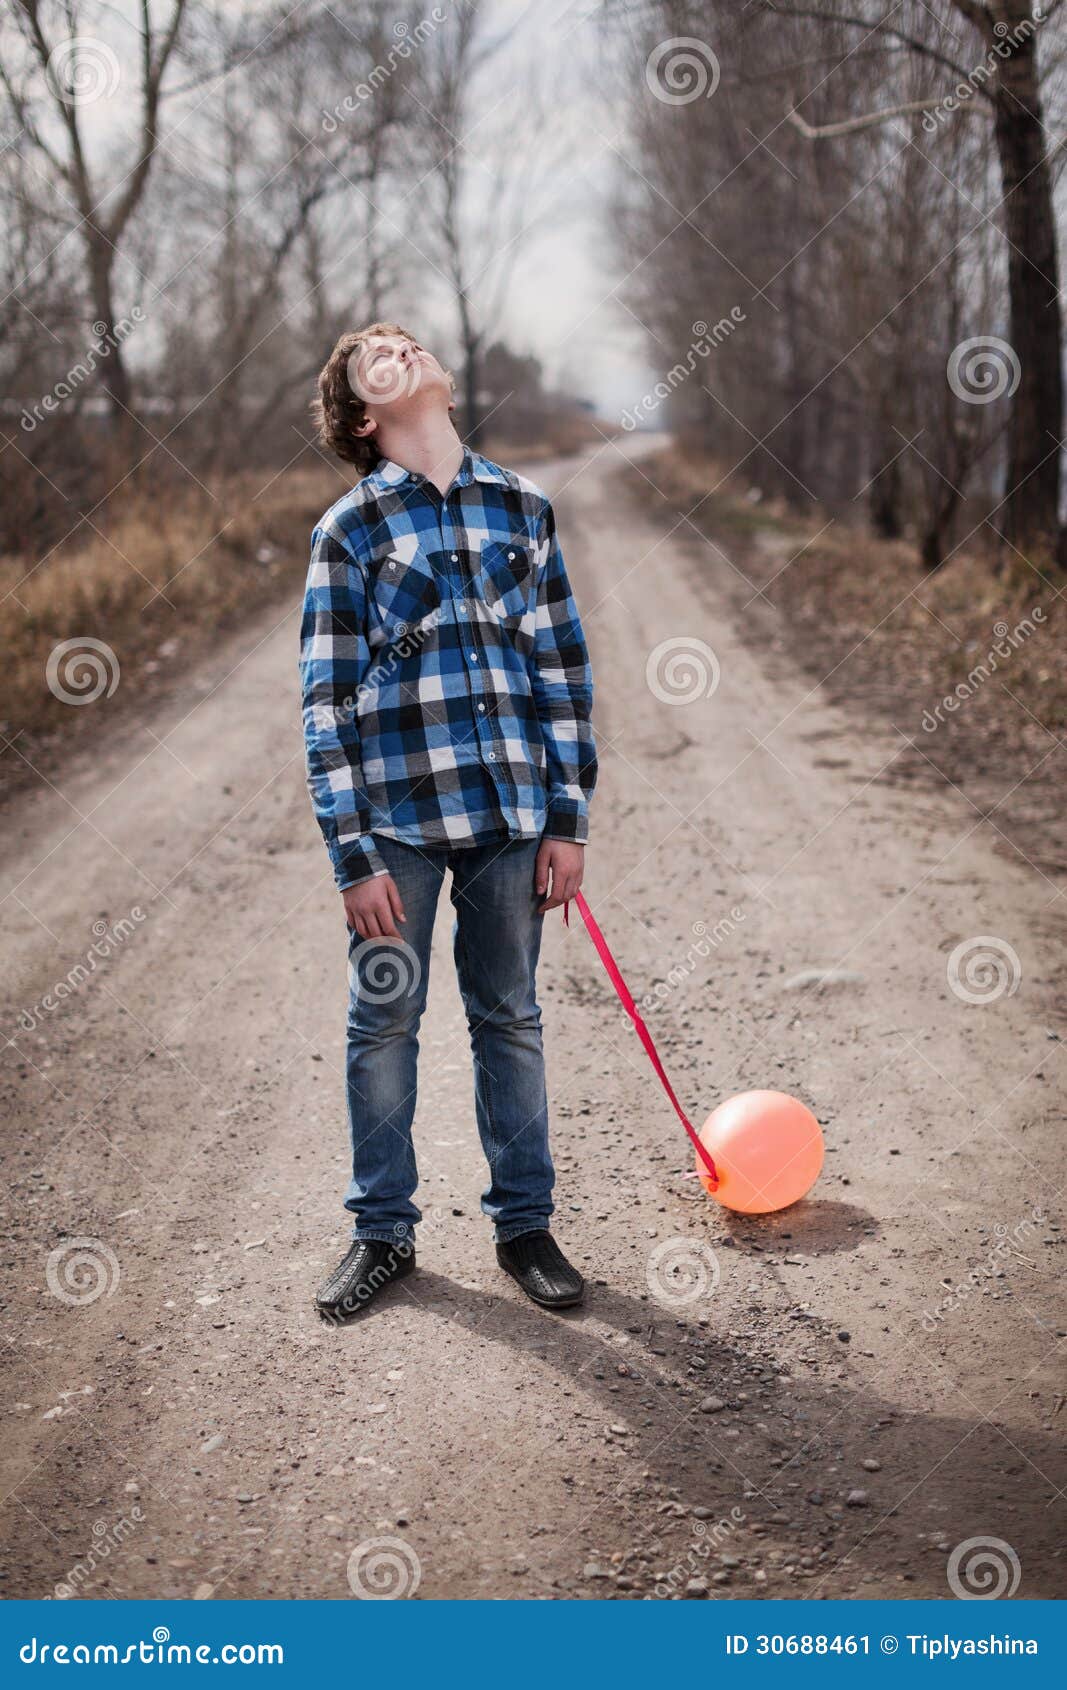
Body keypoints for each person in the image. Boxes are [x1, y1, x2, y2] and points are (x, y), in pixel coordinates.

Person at [300, 323, 597, 1320]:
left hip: (512, 817)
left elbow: (560, 672)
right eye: (373, 353)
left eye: (406, 338)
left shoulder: (523, 507)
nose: (399, 346)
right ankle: (381, 1235)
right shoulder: (349, 532)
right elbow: (324, 705)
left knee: (506, 1016)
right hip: (395, 827)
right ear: (360, 413)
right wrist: (350, 853)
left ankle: (525, 1229)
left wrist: (568, 818)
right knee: (382, 1021)